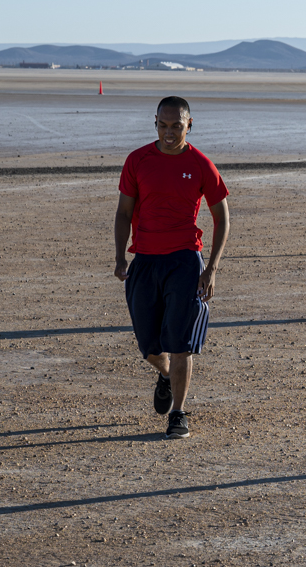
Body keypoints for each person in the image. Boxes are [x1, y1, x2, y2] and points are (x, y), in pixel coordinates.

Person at [114, 96, 230, 439]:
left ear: (189, 125)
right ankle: (164, 374)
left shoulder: (200, 164)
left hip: (184, 260)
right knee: (149, 345)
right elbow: (123, 213)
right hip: (145, 261)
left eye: (176, 126)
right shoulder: (137, 161)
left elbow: (222, 217)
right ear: (155, 123)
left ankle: (178, 413)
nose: (169, 132)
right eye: (163, 125)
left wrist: (211, 269)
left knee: (180, 343)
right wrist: (121, 256)